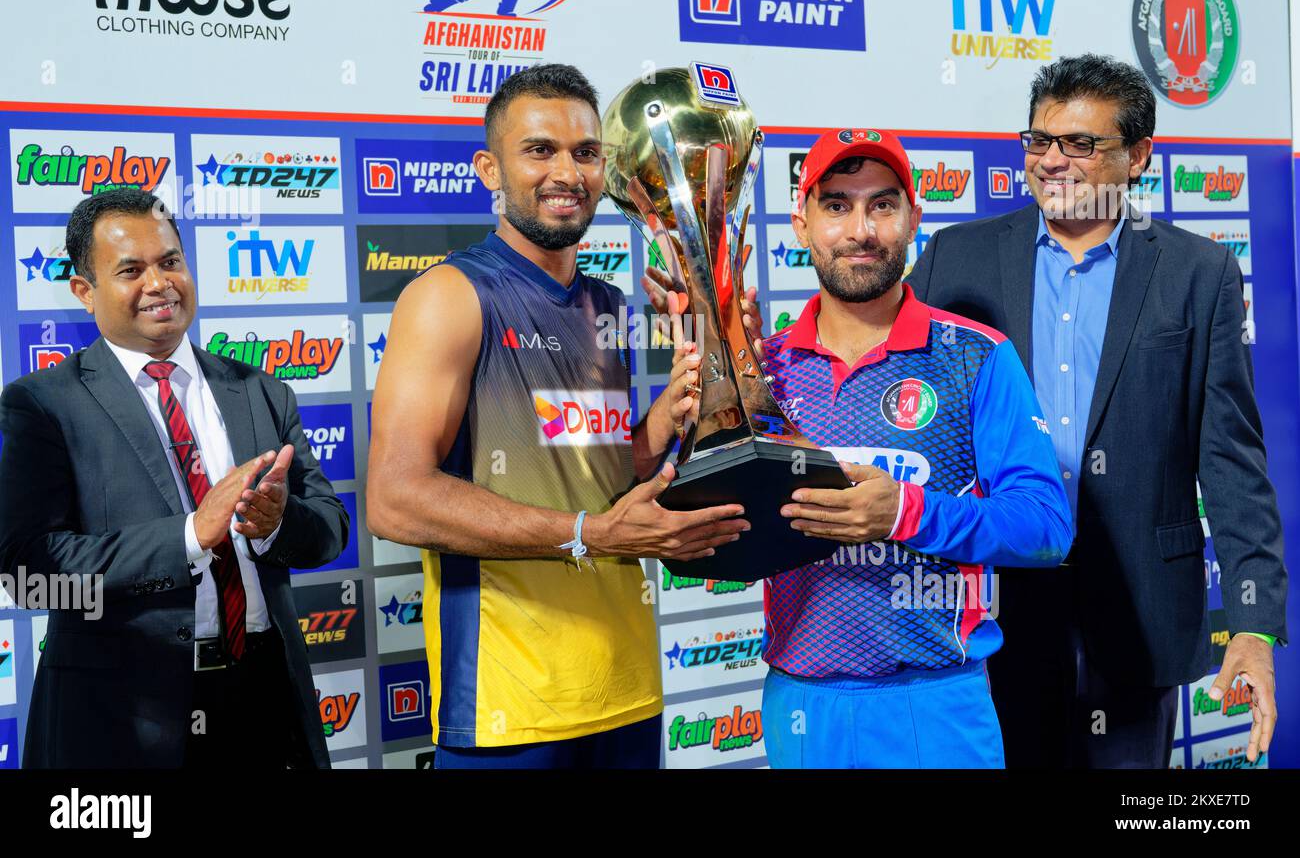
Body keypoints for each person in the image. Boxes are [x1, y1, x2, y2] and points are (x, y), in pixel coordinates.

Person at [907, 53, 1287, 768]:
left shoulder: (1197, 273)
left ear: (1139, 155)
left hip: (1139, 618)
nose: (1053, 161)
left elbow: (1231, 461)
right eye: (1040, 141)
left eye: (1081, 144)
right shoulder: (957, 260)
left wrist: (1254, 625)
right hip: (989, 612)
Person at [365, 63, 748, 769]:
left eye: (586, 152)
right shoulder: (449, 295)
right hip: (512, 710)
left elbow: (591, 474)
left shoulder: (608, 306)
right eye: (539, 149)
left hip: (628, 690)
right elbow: (395, 499)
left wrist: (665, 420)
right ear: (490, 167)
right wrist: (591, 534)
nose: (566, 171)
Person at [750, 126, 1072, 769]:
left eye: (883, 204)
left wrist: (906, 513)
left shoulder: (978, 354)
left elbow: (1046, 526)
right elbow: (699, 536)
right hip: (799, 706)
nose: (862, 229)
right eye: (837, 205)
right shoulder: (767, 369)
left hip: (935, 703)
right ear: (801, 223)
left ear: (914, 219)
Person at [0, 189, 349, 768]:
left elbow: (331, 530)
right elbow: (27, 570)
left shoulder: (262, 392)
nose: (159, 283)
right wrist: (190, 534)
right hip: (123, 719)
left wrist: (276, 522)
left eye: (170, 262)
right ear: (84, 292)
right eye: (131, 270)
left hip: (264, 699)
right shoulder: (41, 405)